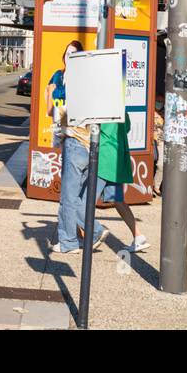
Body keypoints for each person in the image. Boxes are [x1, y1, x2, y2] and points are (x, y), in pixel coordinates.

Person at [50, 61, 107, 255]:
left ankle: (68, 241)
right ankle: (94, 232)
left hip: (74, 145)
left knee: (67, 197)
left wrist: (53, 99)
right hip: (90, 147)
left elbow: (59, 116)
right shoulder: (96, 95)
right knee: (79, 199)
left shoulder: (77, 93)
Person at [96, 111, 147, 253]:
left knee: (85, 201)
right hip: (117, 157)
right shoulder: (121, 109)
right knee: (118, 201)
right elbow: (127, 127)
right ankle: (138, 235)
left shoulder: (99, 107)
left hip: (104, 158)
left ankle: (91, 234)